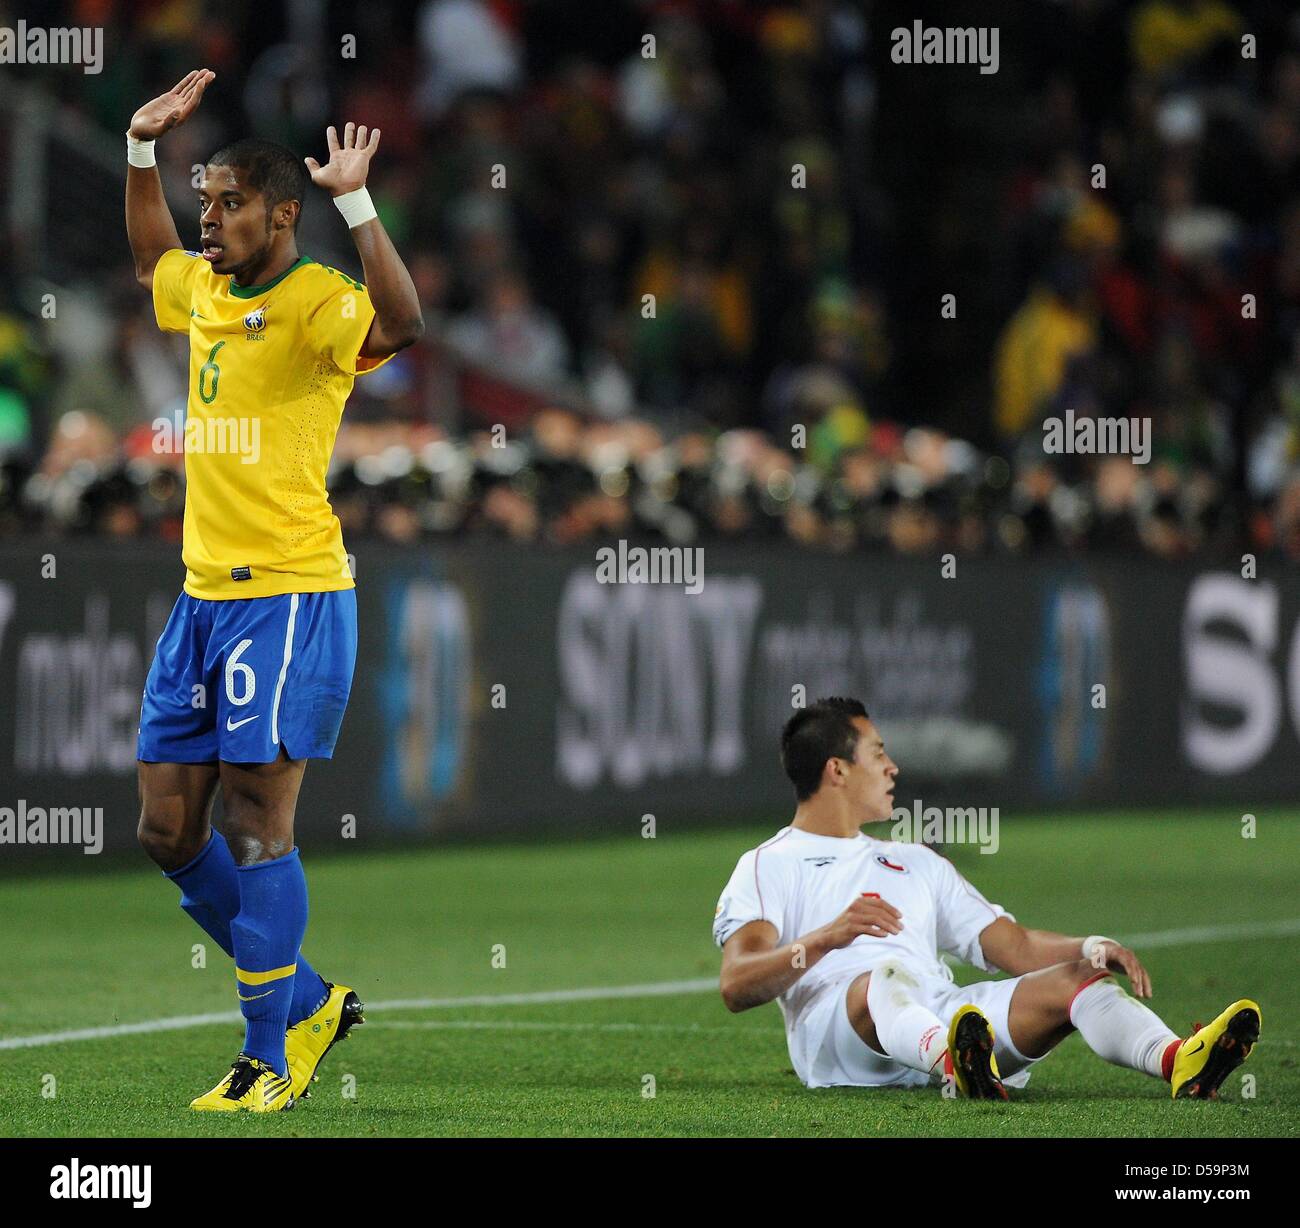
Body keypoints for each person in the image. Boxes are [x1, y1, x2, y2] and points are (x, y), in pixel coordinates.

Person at [125, 70, 424, 1111]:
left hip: (289, 593)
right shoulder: (203, 286)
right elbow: (147, 257)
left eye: (228, 203)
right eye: (203, 201)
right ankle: (306, 998)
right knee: (167, 829)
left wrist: (361, 203)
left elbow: (405, 322)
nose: (208, 219)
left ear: (281, 212)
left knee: (258, 824)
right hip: (202, 596)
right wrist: (136, 148)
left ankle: (267, 1053)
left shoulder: (318, 304)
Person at [714, 697, 1260, 1099]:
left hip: (940, 1019)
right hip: (842, 1044)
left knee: (1078, 982)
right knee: (882, 978)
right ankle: (955, 1061)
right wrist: (827, 937)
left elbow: (1015, 947)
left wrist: (1090, 946)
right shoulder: (769, 864)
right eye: (878, 754)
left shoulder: (915, 860)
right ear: (837, 770)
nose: (892, 767)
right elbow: (736, 985)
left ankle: (1178, 1062)